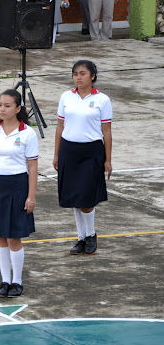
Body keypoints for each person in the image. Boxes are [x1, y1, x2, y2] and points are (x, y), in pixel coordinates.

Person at [0, 89, 39, 298]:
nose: (2, 109)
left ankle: (17, 281)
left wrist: (31, 196)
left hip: (17, 186)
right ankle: (5, 280)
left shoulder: (27, 133)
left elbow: (32, 167)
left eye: (7, 105)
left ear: (18, 108)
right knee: (0, 236)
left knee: (14, 237)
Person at [53, 60, 112, 256]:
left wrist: (108, 159)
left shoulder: (102, 99)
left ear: (92, 76)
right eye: (75, 74)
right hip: (69, 150)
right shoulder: (66, 97)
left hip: (91, 151)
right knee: (74, 196)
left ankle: (91, 234)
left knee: (87, 197)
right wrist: (56, 154)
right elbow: (60, 127)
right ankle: (81, 238)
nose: (78, 77)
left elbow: (106, 131)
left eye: (83, 73)